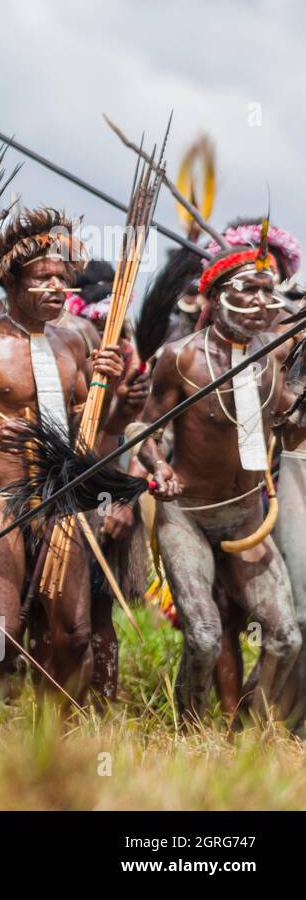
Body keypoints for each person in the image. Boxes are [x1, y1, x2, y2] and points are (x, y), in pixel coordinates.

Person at [0, 207, 126, 710]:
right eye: (44, 278)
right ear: (13, 282)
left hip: (60, 499)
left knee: (74, 632)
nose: (58, 288)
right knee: (3, 631)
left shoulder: (74, 341)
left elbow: (89, 430)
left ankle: (52, 747)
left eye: (63, 278)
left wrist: (115, 387)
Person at [138, 241, 304, 722]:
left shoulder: (273, 359)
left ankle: (241, 730)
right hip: (187, 514)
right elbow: (143, 431)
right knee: (206, 636)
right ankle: (187, 729)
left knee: (285, 638)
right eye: (246, 289)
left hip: (247, 517)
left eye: (267, 291)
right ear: (214, 295)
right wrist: (158, 467)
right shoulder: (180, 358)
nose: (258, 301)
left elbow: (288, 425)